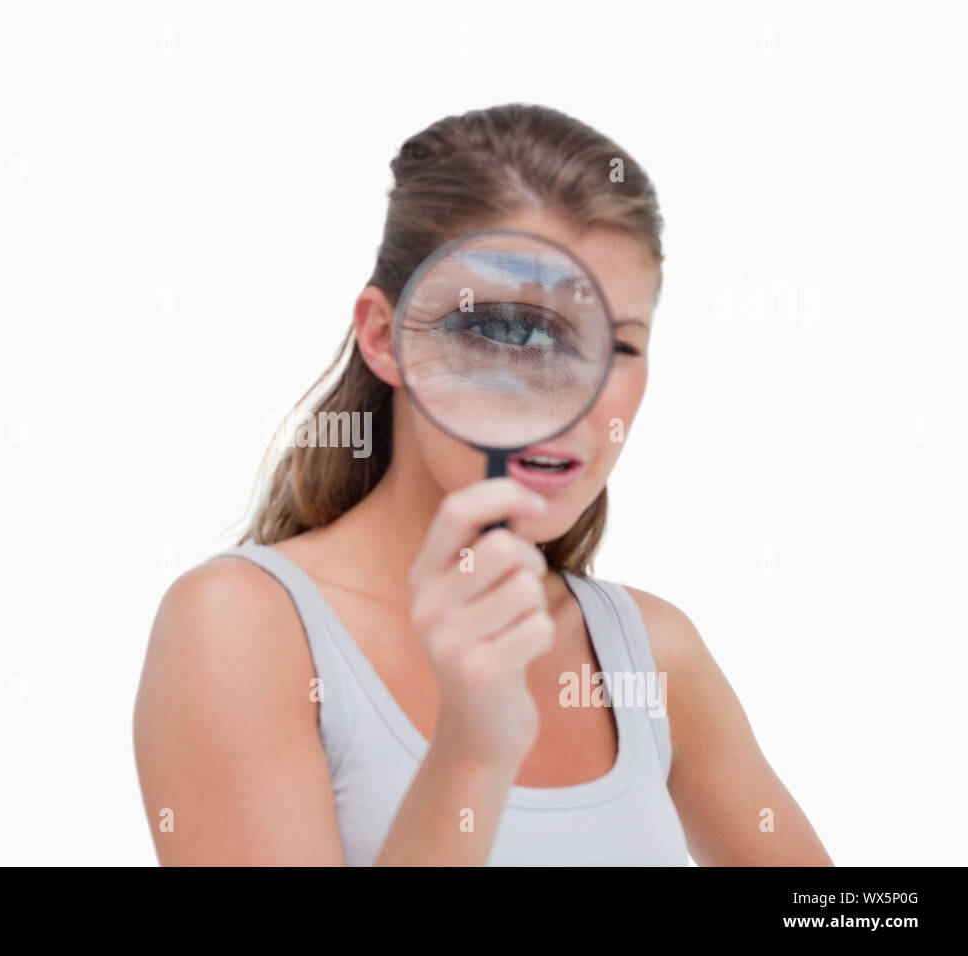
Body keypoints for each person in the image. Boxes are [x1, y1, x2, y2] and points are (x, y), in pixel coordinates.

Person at [133, 103, 832, 866]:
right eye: (514, 330)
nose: (580, 398)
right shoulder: (242, 628)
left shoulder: (650, 656)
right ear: (384, 338)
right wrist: (470, 752)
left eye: (620, 346)